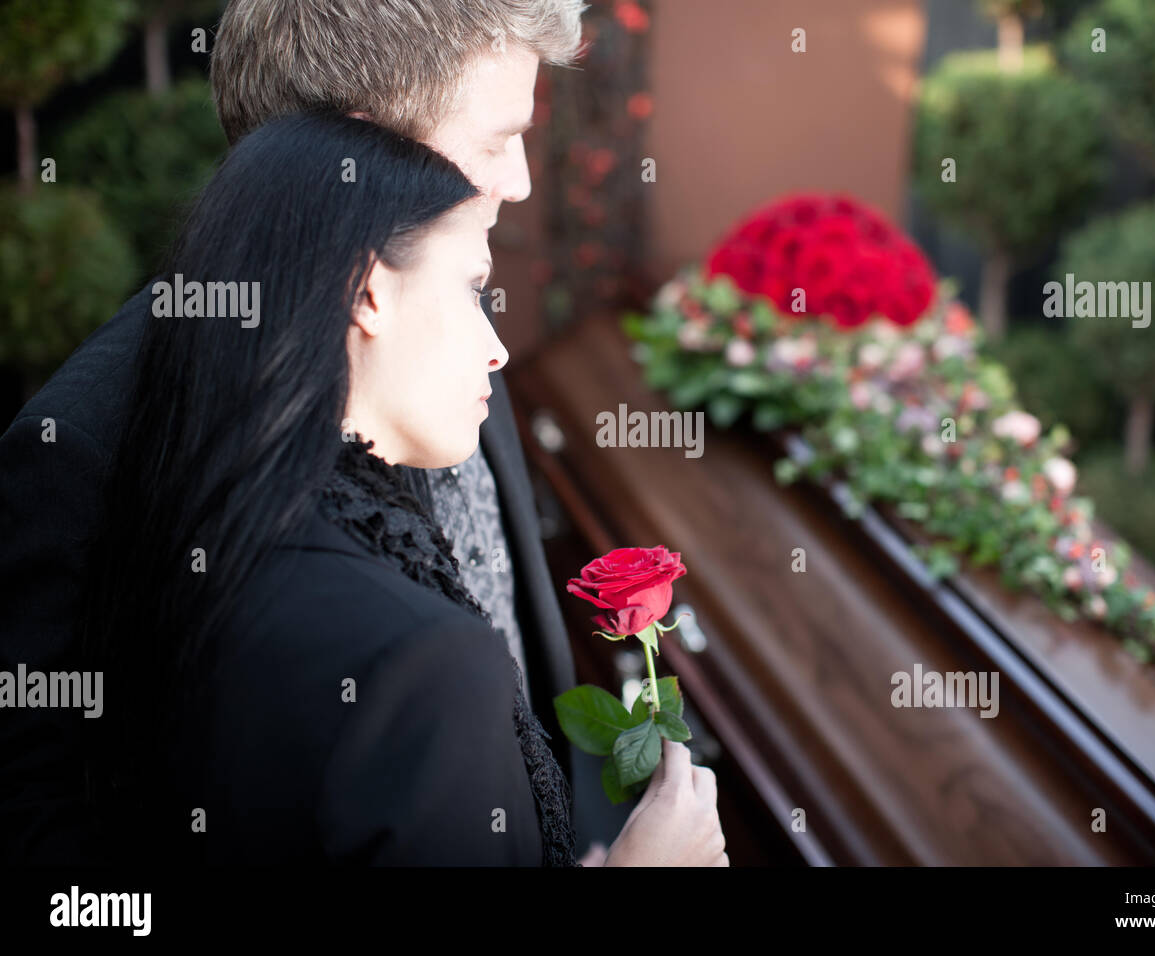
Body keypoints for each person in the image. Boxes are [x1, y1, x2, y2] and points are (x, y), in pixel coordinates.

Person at [0, 0, 726, 866]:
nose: (522, 179)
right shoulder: (79, 444)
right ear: (358, 155)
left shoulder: (439, 322)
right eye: (498, 138)